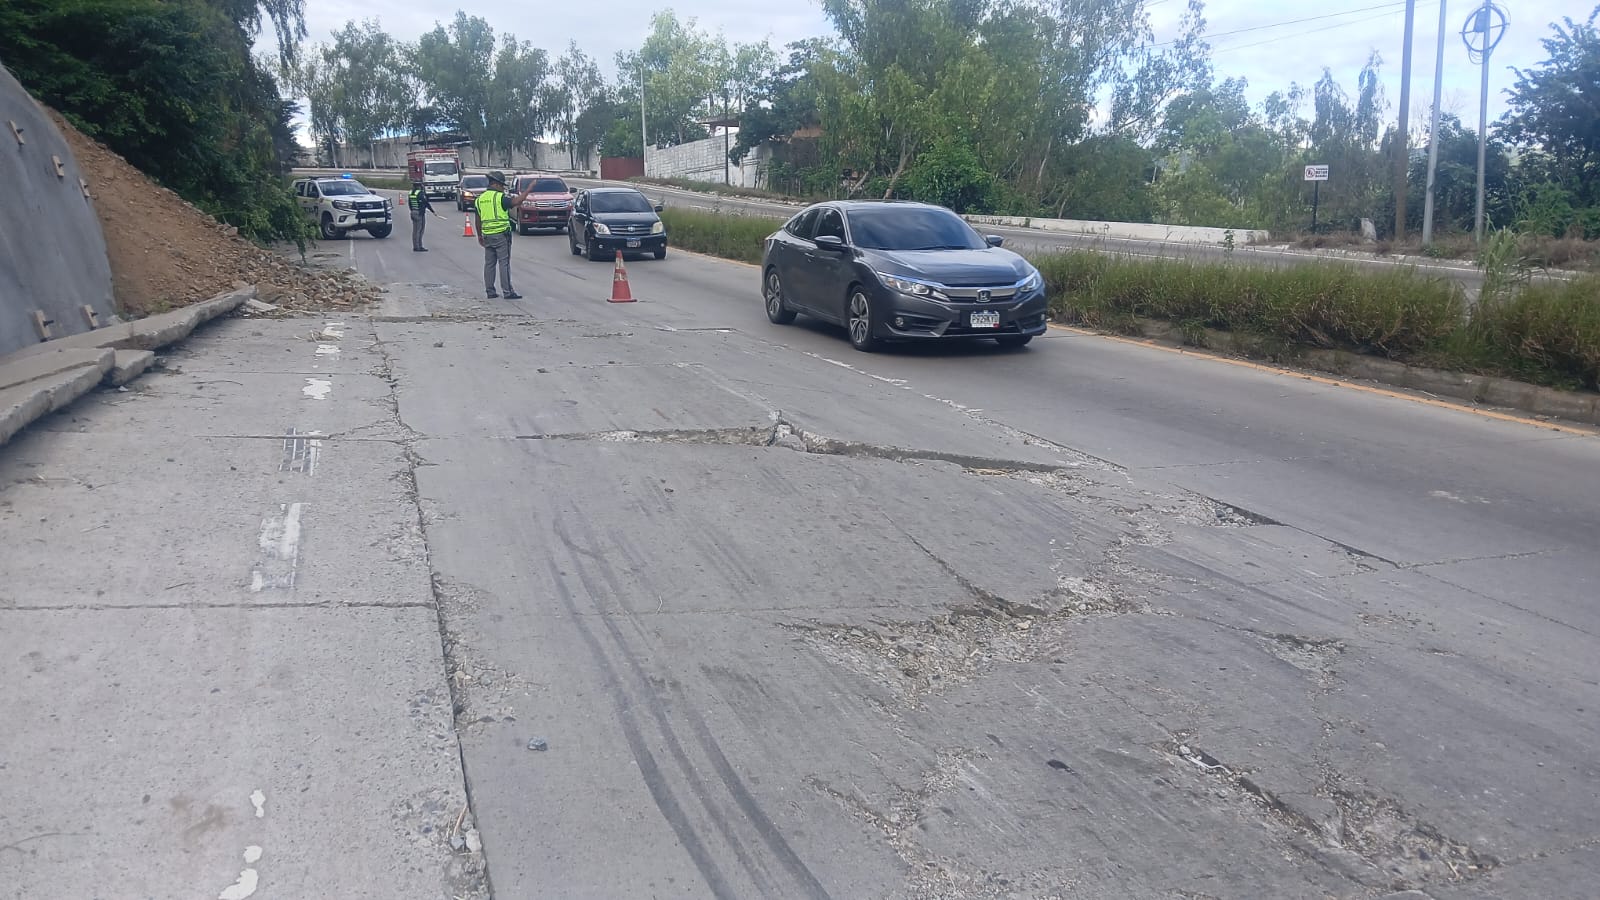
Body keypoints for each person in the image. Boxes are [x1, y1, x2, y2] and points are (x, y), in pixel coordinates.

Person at [474, 171, 537, 299]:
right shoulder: (499, 197)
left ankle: (490, 291)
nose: (503, 188)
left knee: (489, 264)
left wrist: (479, 235)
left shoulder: (480, 199)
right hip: (501, 235)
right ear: (496, 184)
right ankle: (508, 291)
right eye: (502, 185)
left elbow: (477, 219)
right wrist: (529, 189)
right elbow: (516, 202)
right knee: (504, 263)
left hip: (487, 236)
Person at [407, 182, 442, 251]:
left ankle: (416, 245)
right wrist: (432, 211)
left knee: (415, 230)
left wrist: (412, 210)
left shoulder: (410, 193)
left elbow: (409, 204)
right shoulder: (420, 193)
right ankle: (418, 246)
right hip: (419, 213)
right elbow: (425, 203)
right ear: (419, 186)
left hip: (413, 212)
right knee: (420, 230)